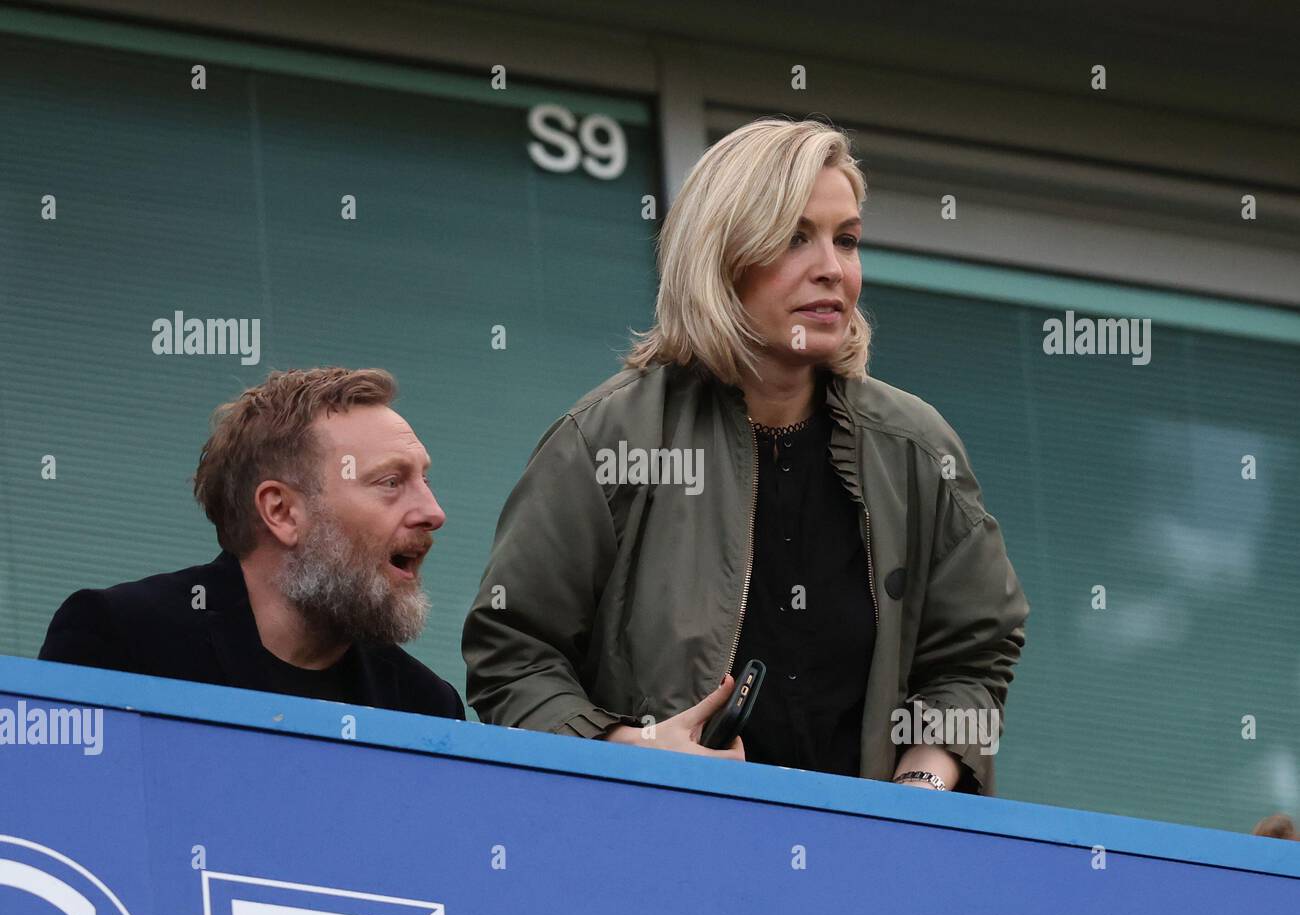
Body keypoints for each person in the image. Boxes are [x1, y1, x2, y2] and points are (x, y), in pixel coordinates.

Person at [462, 117, 1028, 794]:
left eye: (847, 240)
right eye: (794, 237)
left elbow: (972, 657)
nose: (832, 268)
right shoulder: (606, 439)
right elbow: (513, 656)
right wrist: (633, 750)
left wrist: (920, 792)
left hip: (869, 849)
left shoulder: (916, 447)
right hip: (658, 837)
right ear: (721, 254)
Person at [40, 366, 464, 720]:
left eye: (425, 480)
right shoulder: (123, 641)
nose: (434, 512)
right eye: (390, 482)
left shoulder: (424, 704)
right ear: (281, 511)